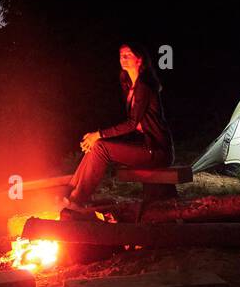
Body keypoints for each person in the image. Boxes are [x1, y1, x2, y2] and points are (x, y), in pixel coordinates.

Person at [62, 41, 174, 211]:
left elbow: (131, 124)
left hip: (157, 151)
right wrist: (97, 138)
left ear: (139, 60)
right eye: (121, 56)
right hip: (145, 147)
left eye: (128, 55)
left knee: (100, 146)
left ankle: (76, 199)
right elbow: (133, 127)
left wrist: (98, 134)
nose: (123, 59)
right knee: (97, 146)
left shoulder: (144, 87)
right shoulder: (130, 87)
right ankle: (69, 193)